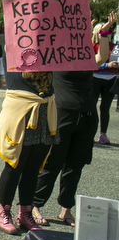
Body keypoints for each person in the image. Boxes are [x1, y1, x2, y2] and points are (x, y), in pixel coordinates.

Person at [31, 62, 98, 228]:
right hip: (62, 113)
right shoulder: (60, 54)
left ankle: (66, 208)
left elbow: (102, 56)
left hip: (86, 114)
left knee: (75, 166)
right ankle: (35, 205)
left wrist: (104, 34)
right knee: (53, 162)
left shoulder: (86, 54)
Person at [0, 68, 58, 234]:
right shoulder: (16, 46)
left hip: (44, 111)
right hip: (22, 110)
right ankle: (4, 212)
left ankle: (25, 213)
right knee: (15, 165)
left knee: (33, 168)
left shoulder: (48, 49)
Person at [91, 15, 119, 144]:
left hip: (110, 79)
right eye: (103, 30)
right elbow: (91, 64)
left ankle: (103, 134)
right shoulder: (92, 45)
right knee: (91, 107)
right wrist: (106, 65)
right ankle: (90, 132)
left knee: (105, 108)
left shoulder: (114, 46)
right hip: (95, 79)